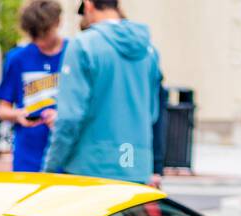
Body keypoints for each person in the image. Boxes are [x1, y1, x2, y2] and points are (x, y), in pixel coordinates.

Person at [44, 0, 162, 183]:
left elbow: (70, 117)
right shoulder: (149, 51)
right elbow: (152, 113)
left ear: (89, 5)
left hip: (91, 167)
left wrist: (50, 167)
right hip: (135, 167)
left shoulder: (83, 45)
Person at [0, 0, 66, 173]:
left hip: (66, 154)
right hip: (28, 156)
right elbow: (2, 109)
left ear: (57, 23)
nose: (39, 41)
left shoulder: (75, 53)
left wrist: (63, 117)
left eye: (44, 33)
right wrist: (18, 115)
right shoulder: (17, 58)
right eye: (35, 36)